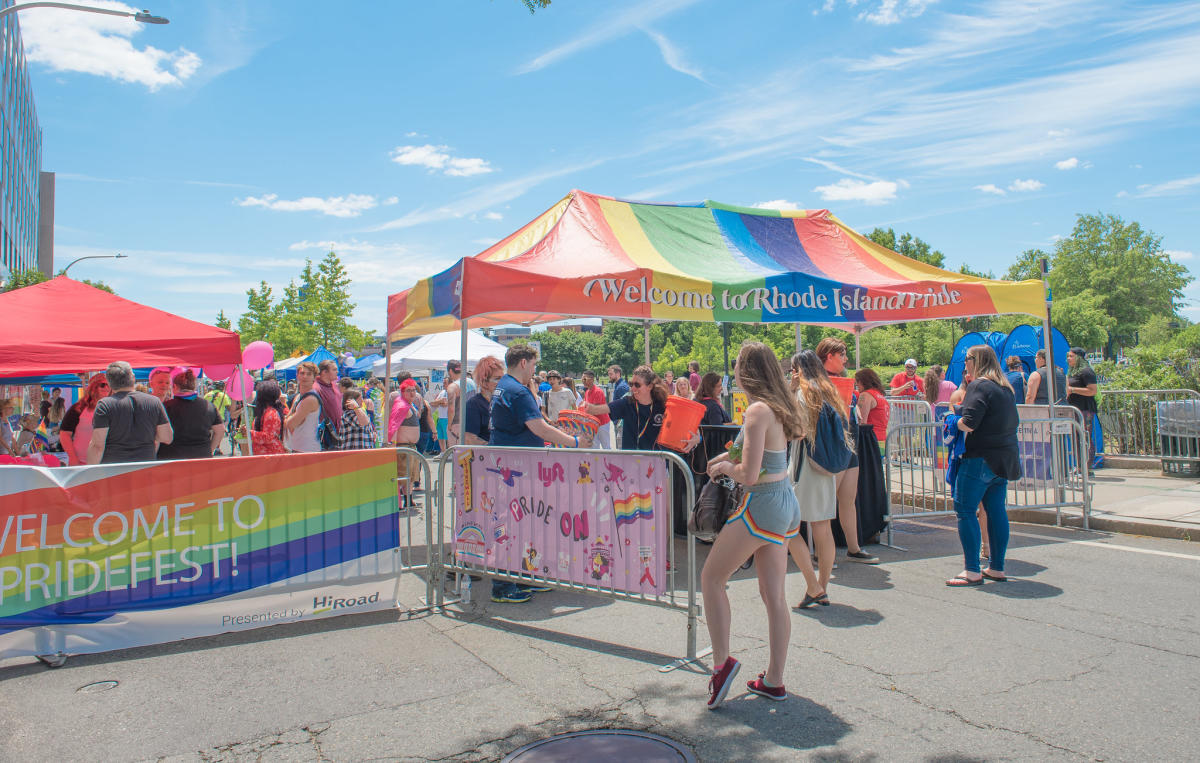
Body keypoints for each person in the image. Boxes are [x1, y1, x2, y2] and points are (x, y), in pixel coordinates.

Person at [701, 342, 805, 708]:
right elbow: (759, 458)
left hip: (761, 504)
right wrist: (721, 460)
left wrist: (726, 468)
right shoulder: (779, 407)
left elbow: (746, 472)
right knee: (773, 595)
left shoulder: (758, 411)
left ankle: (721, 665)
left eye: (737, 367)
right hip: (783, 502)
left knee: (711, 579)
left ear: (747, 372)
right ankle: (774, 679)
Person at [488, 343, 589, 603]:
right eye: (533, 364)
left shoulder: (505, 387)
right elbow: (539, 427)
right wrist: (574, 442)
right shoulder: (517, 392)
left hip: (511, 467)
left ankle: (524, 575)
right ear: (523, 362)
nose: (535, 369)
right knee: (512, 525)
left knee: (524, 523)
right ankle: (504, 584)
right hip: (515, 469)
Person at [787, 350, 855, 608]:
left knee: (789, 526)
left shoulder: (804, 394)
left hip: (805, 466)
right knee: (822, 528)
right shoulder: (830, 391)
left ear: (799, 369)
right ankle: (821, 586)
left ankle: (813, 586)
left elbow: (797, 430)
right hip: (826, 468)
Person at [946, 346, 1019, 586]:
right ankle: (996, 567)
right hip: (1003, 458)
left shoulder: (979, 385)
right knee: (996, 511)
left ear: (975, 360)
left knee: (965, 510)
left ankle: (972, 570)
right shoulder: (1005, 388)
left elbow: (969, 423)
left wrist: (952, 420)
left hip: (979, 458)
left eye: (966, 359)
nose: (964, 364)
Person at [814, 337, 879, 564]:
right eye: (841, 354)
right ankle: (821, 551)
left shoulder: (843, 381)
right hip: (832, 445)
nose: (846, 359)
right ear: (829, 356)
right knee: (827, 501)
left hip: (850, 442)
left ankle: (853, 547)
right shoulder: (815, 381)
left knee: (847, 499)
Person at [88, 361, 173, 464]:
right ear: (133, 378)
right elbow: (167, 437)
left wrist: (92, 470)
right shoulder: (154, 402)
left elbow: (98, 446)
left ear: (110, 383)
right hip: (144, 467)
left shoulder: (105, 405)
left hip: (113, 469)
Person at [157, 369, 223, 460]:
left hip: (171, 459)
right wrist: (210, 450)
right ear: (194, 387)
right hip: (201, 458)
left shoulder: (165, 407)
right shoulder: (209, 406)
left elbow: (157, 434)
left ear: (175, 386)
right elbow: (220, 431)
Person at [59, 375, 110, 465]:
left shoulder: (113, 408)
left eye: (109, 384)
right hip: (81, 464)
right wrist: (73, 457)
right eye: (102, 385)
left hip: (106, 464)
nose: (106, 387)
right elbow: (64, 434)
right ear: (93, 387)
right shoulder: (78, 408)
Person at [389, 379, 423, 507]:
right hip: (403, 448)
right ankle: (398, 504)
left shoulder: (409, 404)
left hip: (410, 448)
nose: (412, 393)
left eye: (414, 390)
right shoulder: (401, 405)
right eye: (408, 390)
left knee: (410, 476)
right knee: (401, 476)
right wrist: (393, 446)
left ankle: (409, 501)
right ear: (402, 392)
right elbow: (394, 426)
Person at [1066, 347, 1098, 467]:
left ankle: (1087, 467)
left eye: (1071, 356)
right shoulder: (1072, 371)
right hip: (1073, 408)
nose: (1068, 359)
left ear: (1079, 357)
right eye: (1068, 356)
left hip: (1085, 409)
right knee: (1076, 439)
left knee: (1085, 437)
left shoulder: (1086, 371)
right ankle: (1079, 466)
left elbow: (1092, 390)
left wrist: (1072, 389)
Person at [464, 355, 503, 446]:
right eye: (497, 379)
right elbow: (469, 438)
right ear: (484, 381)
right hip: (486, 457)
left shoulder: (502, 402)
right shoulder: (474, 404)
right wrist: (495, 448)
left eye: (503, 378)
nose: (501, 382)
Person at [285, 361, 322, 453]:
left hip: (307, 450)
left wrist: (289, 419)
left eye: (309, 374)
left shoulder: (310, 399)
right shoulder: (298, 397)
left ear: (314, 378)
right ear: (297, 375)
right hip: (297, 447)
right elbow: (289, 422)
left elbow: (290, 424)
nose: (305, 376)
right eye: (302, 373)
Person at [250, 380, 288, 455]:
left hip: (270, 455)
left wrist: (249, 433)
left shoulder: (271, 414)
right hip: (266, 455)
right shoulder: (267, 411)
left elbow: (268, 437)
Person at [581, 370, 611, 448]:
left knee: (606, 446)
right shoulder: (587, 392)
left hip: (602, 423)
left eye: (584, 379)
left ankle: (609, 460)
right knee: (594, 447)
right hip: (593, 424)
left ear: (591, 379)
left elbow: (594, 409)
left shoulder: (598, 391)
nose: (582, 381)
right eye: (582, 379)